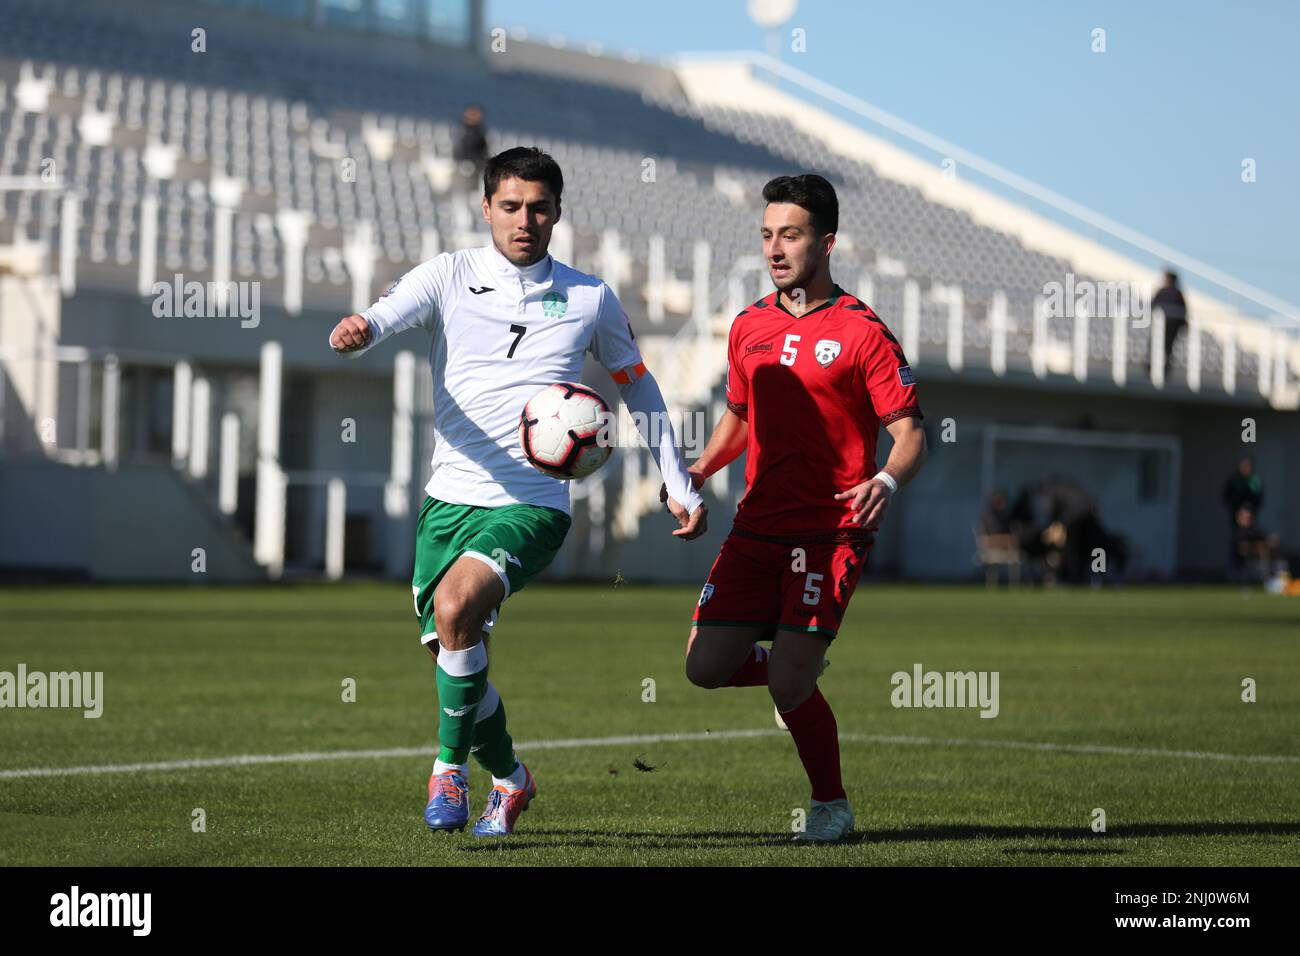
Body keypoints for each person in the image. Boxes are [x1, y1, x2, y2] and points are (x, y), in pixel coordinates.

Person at [329, 147, 707, 838]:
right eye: (510, 207)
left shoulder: (589, 296)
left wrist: (675, 479)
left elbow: (638, 385)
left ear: (557, 213)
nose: (524, 220)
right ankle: (510, 778)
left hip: (534, 502)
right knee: (453, 648)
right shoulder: (449, 274)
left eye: (538, 208)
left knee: (455, 606)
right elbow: (384, 314)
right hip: (448, 500)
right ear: (486, 209)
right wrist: (361, 331)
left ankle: (448, 769)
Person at [670, 174, 927, 843]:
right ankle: (796, 662)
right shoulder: (749, 325)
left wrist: (887, 483)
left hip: (829, 532)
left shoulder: (862, 331)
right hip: (757, 527)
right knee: (704, 669)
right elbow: (739, 417)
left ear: (827, 240)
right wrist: (698, 469)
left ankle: (831, 806)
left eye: (791, 234)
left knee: (788, 684)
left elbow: (911, 433)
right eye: (767, 235)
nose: (775, 248)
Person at [1151, 270, 1188, 378]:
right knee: (1155, 347)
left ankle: (1165, 371)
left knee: (1167, 350)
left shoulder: (1177, 294)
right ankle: (1151, 369)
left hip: (1171, 328)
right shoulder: (1162, 292)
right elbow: (1153, 306)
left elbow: (1183, 311)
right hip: (1160, 327)